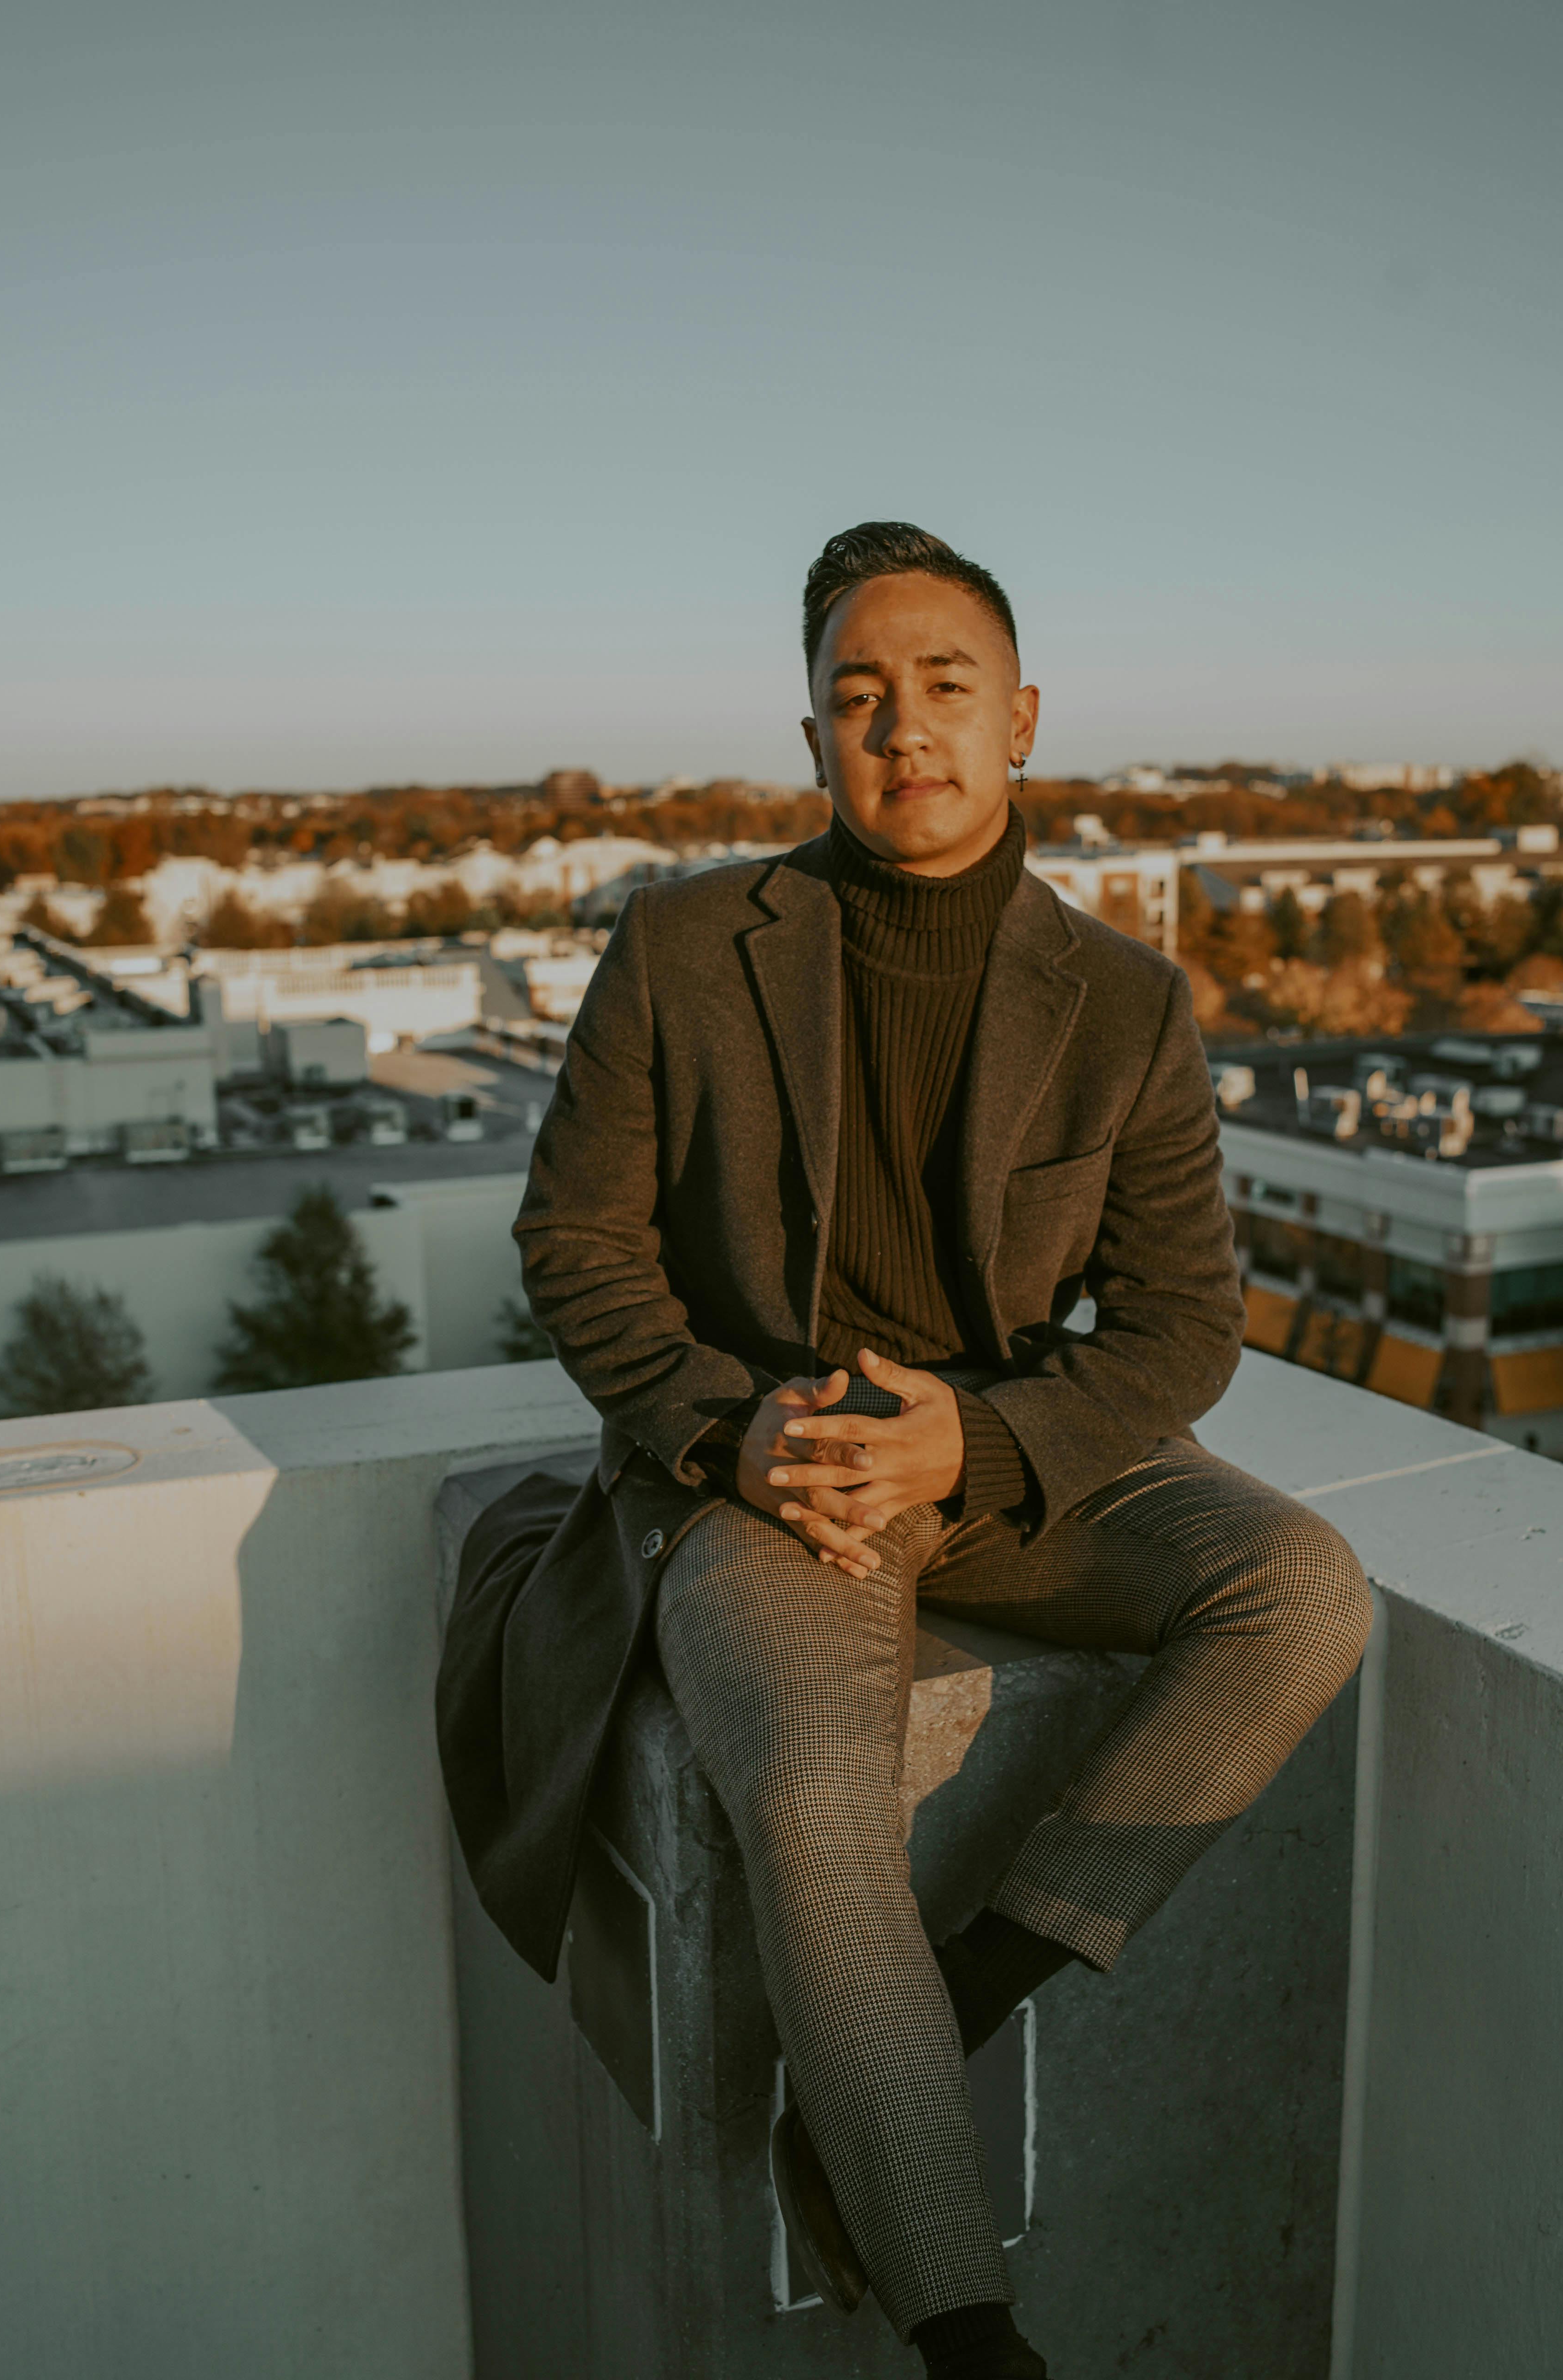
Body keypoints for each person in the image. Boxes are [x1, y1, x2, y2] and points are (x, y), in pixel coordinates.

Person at [499, 523, 1372, 2380]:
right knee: (814, 1785)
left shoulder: (1127, 1002)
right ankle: (965, 2324)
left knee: (1300, 1586)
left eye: (945, 683)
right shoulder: (681, 944)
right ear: (813, 738)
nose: (904, 725)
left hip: (997, 1459)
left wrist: (971, 1436)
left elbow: (1182, 1328)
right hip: (780, 1472)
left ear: (1024, 719)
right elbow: (574, 1241)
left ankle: (966, 1986)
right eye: (858, 693)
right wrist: (728, 1429)